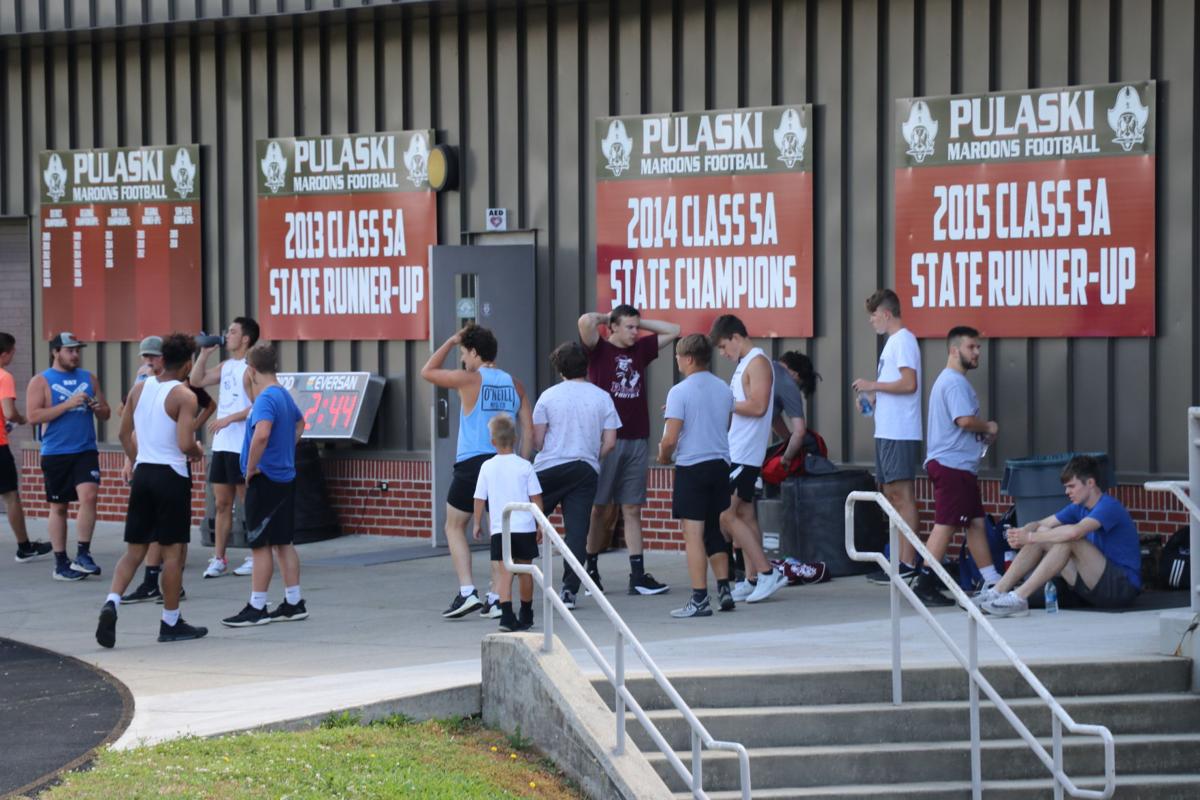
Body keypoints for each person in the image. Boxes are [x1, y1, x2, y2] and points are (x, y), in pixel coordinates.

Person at [95, 334, 208, 647]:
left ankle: (112, 601)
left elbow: (122, 433)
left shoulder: (140, 388)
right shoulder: (184, 396)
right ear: (187, 364)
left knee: (135, 550)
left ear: (162, 359)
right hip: (171, 475)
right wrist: (198, 451)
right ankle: (170, 622)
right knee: (173, 553)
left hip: (143, 473)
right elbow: (184, 443)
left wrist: (137, 460)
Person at [421, 324, 532, 620]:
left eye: (463, 353)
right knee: (500, 532)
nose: (461, 359)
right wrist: (521, 463)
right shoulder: (515, 384)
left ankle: (467, 591)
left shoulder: (469, 379)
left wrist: (449, 341)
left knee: (454, 526)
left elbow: (427, 371)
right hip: (505, 462)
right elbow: (529, 430)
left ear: (473, 352)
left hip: (473, 462)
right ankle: (496, 598)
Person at [579, 305, 679, 596]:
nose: (636, 332)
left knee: (633, 507)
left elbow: (674, 331)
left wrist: (638, 323)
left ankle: (637, 575)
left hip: (637, 437)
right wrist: (607, 318)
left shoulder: (640, 350)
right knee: (599, 508)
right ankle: (591, 570)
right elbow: (585, 321)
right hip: (607, 439)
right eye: (629, 327)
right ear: (613, 327)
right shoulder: (598, 349)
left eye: (637, 327)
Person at [982, 456, 1141, 616]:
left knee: (1069, 540)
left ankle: (1019, 597)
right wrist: (1021, 532)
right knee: (1043, 532)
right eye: (1066, 487)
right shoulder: (1078, 507)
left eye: (1072, 486)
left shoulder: (1109, 506)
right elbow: (1041, 524)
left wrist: (1029, 537)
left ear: (1090, 483)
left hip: (1121, 588)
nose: (1067, 492)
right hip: (1090, 585)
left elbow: (1074, 533)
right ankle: (997, 591)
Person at [121, 337, 216, 604]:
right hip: (154, 463)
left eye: (153, 356)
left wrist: (191, 431)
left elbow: (209, 405)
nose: (149, 361)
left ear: (164, 359)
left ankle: (170, 590)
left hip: (170, 464)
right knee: (155, 536)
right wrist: (131, 459)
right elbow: (130, 422)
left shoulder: (184, 388)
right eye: (145, 356)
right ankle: (154, 587)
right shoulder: (145, 384)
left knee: (171, 537)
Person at [221, 344, 307, 627]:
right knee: (283, 543)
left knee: (260, 545)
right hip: (284, 478)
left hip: (266, 480)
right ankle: (294, 602)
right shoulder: (283, 394)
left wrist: (250, 467)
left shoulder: (265, 399)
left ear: (251, 370)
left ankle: (257, 606)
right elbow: (301, 424)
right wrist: (285, 450)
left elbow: (261, 434)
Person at [914, 326, 1000, 607]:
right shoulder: (953, 383)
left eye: (978, 348)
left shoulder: (954, 381)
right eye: (971, 347)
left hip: (960, 466)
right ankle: (924, 583)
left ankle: (991, 581)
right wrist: (988, 426)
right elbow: (963, 420)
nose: (977, 353)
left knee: (975, 522)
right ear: (954, 350)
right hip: (951, 466)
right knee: (947, 523)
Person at [532, 341, 621, 610]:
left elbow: (538, 441)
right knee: (577, 532)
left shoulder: (548, 396)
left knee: (526, 520)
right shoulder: (602, 397)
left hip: (549, 468)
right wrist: (593, 456)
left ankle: (508, 579)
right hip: (585, 469)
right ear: (586, 366)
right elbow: (610, 442)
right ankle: (569, 590)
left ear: (560, 369)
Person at [709, 314, 785, 605]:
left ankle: (767, 572)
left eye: (723, 346)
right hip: (736, 450)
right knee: (745, 515)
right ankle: (751, 578)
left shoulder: (758, 362)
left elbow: (759, 406)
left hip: (745, 454)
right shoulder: (745, 364)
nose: (723, 353)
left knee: (725, 514)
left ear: (736, 337)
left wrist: (724, 402)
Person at [658, 334, 735, 618]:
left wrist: (664, 457)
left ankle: (700, 598)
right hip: (720, 464)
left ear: (689, 358)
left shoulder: (679, 391)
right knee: (715, 529)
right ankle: (724, 588)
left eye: (678, 356)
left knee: (693, 534)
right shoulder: (724, 388)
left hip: (692, 467)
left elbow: (670, 439)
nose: (677, 361)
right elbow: (726, 424)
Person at [852, 289, 923, 584]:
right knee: (892, 495)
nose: (871, 321)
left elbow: (909, 384)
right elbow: (895, 385)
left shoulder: (903, 340)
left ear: (886, 314)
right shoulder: (892, 343)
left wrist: (873, 385)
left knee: (902, 496)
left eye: (873, 315)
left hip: (900, 430)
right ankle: (900, 561)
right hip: (887, 429)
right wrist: (872, 398)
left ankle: (908, 562)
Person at [26, 332, 110, 581]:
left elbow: (106, 413)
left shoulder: (89, 378)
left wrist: (98, 408)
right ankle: (61, 562)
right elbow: (33, 416)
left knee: (89, 496)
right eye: (70, 350)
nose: (75, 355)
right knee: (59, 507)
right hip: (56, 452)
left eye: (77, 350)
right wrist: (67, 404)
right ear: (55, 352)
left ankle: (83, 553)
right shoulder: (41, 381)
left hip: (85, 449)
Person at [190, 317, 259, 579]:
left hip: (241, 444)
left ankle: (256, 554)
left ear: (245, 339)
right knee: (221, 503)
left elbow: (258, 405)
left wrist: (230, 418)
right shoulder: (227, 365)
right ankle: (219, 558)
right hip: (222, 444)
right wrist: (204, 354)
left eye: (232, 332)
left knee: (247, 502)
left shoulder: (250, 368)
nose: (227, 335)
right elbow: (197, 380)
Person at [473, 414, 543, 632]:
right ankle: (526, 613)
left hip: (500, 528)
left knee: (504, 573)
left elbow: (479, 498)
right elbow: (536, 498)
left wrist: (477, 523)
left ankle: (506, 616)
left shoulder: (487, 467)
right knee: (525, 571)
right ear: (515, 439)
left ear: (492, 441)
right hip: (524, 527)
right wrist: (540, 524)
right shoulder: (525, 466)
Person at [0, 332, 52, 563]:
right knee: (10, 495)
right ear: (4, 354)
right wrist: (21, 419)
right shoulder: (4, 376)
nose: (13, 355)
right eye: (12, 351)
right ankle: (24, 547)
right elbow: (9, 412)